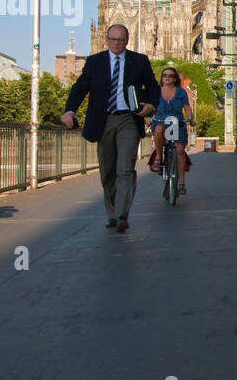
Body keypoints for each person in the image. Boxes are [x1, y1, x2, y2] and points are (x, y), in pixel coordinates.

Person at [61, 24, 159, 232]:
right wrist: (70, 110)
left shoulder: (139, 61)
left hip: (128, 119)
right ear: (106, 39)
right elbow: (80, 87)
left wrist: (151, 105)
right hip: (103, 120)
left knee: (125, 168)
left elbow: (153, 86)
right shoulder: (95, 61)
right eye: (112, 39)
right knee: (107, 170)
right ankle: (112, 213)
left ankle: (123, 213)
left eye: (120, 40)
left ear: (127, 40)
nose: (116, 43)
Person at [149, 66, 194, 194]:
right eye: (165, 75)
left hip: (177, 121)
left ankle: (181, 183)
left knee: (179, 150)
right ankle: (159, 157)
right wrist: (148, 118)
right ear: (162, 78)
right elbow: (150, 106)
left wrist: (190, 118)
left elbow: (186, 107)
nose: (167, 78)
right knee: (159, 129)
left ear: (174, 79)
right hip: (160, 119)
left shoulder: (181, 92)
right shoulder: (156, 91)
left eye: (170, 76)